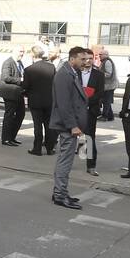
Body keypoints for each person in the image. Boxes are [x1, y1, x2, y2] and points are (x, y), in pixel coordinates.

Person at [50, 46, 89, 210]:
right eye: (82, 59)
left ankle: (60, 192)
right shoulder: (64, 74)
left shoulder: (72, 72)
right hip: (67, 126)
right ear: (72, 59)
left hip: (70, 125)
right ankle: (60, 195)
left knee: (65, 160)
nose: (86, 62)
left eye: (86, 59)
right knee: (65, 161)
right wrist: (72, 125)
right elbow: (63, 103)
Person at [21, 44, 57, 155]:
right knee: (48, 125)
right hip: (49, 100)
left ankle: (37, 149)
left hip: (35, 101)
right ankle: (50, 148)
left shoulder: (29, 70)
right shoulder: (51, 67)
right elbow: (55, 83)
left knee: (37, 126)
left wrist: (26, 93)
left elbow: (25, 86)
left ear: (32, 55)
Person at [79, 49, 104, 175]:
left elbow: (100, 92)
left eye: (90, 58)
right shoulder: (75, 73)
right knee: (70, 137)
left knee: (89, 138)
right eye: (85, 58)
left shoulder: (98, 74)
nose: (88, 61)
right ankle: (66, 162)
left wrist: (87, 101)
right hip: (75, 110)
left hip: (90, 109)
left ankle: (91, 165)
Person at [0, 50, 25, 146]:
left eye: (23, 52)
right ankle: (6, 139)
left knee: (21, 114)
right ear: (14, 51)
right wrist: (21, 80)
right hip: (10, 92)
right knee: (9, 115)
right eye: (20, 51)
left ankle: (12, 137)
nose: (22, 53)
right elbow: (6, 77)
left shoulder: (20, 62)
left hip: (18, 92)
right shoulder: (8, 62)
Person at [99, 50, 118, 121]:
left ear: (106, 55)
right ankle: (110, 116)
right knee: (106, 101)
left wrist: (99, 74)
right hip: (107, 85)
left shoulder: (107, 62)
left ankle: (105, 116)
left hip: (109, 85)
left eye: (101, 54)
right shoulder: (104, 62)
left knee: (106, 101)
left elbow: (109, 74)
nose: (99, 56)